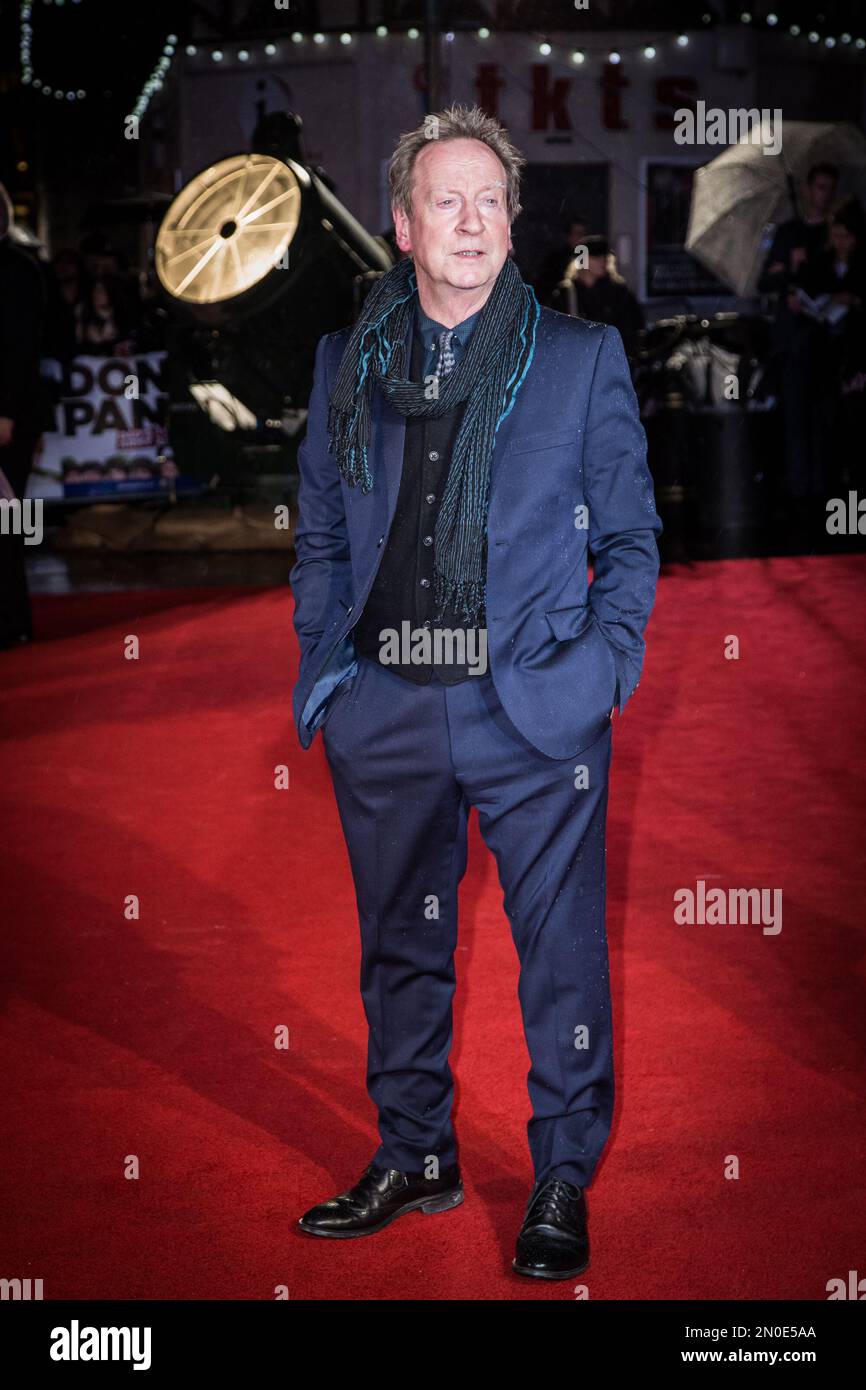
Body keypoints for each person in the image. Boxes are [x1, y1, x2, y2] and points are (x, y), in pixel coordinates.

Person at [290, 104, 662, 1280]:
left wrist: (599, 669)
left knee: (558, 949)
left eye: (489, 200)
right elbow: (319, 539)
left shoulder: (578, 355)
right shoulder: (348, 364)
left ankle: (559, 1172)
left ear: (512, 223)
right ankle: (416, 1153)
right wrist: (326, 672)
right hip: (384, 708)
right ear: (401, 226)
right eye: (444, 200)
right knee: (399, 946)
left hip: (533, 709)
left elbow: (636, 540)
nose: (469, 220)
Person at [759, 162, 839, 523]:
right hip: (793, 341)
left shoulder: (836, 233)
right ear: (809, 189)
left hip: (825, 339)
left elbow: (839, 280)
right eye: (819, 187)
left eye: (829, 188)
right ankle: (798, 490)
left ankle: (822, 490)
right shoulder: (788, 233)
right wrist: (789, 272)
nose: (824, 194)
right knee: (794, 416)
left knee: (824, 417)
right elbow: (767, 282)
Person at [0, 183, 47, 650]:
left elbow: (21, 348)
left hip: (10, 417)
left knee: (8, 522)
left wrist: (8, 412)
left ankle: (14, 621)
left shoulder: (18, 269)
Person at [551, 233, 645, 366]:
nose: (603, 261)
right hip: (578, 366)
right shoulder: (565, 294)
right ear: (582, 260)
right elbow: (554, 335)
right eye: (596, 257)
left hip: (612, 364)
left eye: (605, 256)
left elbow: (633, 329)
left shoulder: (619, 292)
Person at [533, 212, 588, 307]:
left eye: (583, 234)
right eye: (577, 233)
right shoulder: (555, 261)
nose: (581, 238)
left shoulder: (590, 260)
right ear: (568, 236)